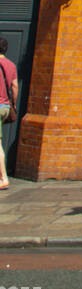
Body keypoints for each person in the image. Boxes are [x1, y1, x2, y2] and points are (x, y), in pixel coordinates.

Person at [0, 38, 19, 190]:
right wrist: (13, 103)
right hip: (5, 106)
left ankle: (3, 177)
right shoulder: (11, 65)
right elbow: (14, 87)